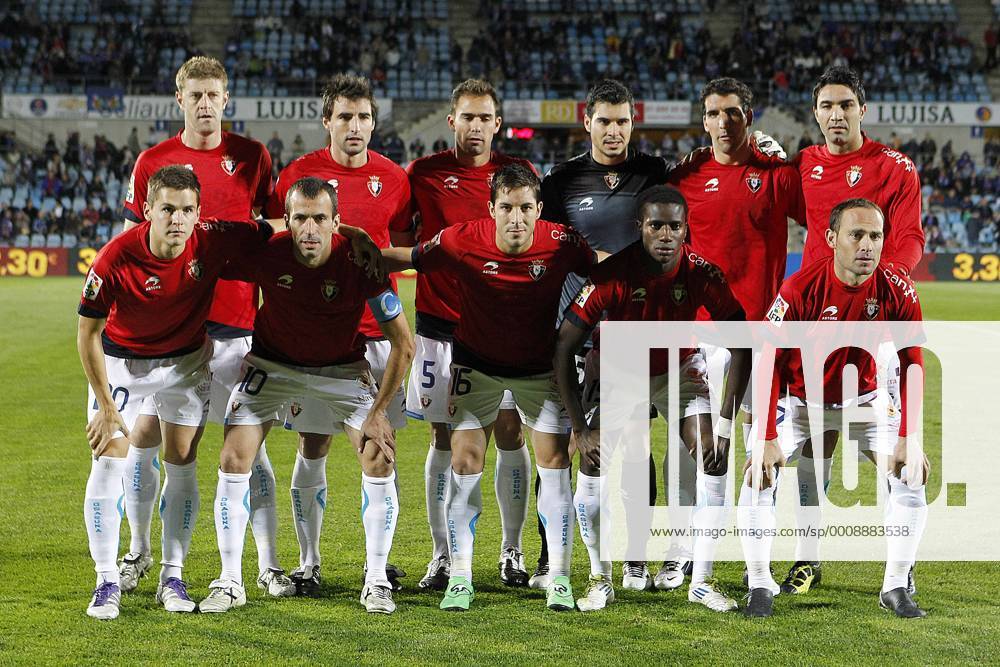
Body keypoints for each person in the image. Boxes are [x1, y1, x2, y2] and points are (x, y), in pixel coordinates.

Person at [383, 163, 595, 612]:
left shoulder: (562, 243)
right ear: (491, 208)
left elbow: (602, 267)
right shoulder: (462, 238)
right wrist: (344, 254)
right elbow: (410, 257)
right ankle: (460, 577)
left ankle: (559, 577)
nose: (516, 218)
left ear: (539, 208)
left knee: (555, 465)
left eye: (525, 208)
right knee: (464, 462)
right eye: (507, 208)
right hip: (476, 367)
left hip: (539, 370)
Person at [118, 56, 292, 599]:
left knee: (248, 450)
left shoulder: (253, 156)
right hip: (170, 333)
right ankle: (139, 552)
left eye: (213, 94)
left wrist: (234, 235)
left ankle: (268, 564)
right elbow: (130, 241)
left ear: (226, 98)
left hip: (238, 325)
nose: (205, 104)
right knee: (148, 437)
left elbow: (280, 227)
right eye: (195, 95)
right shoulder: (153, 161)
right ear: (180, 99)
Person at [199, 177, 413, 615]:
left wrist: (377, 412)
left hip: (343, 371)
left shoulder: (359, 261)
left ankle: (376, 580)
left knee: (380, 457)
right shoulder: (269, 252)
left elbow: (403, 344)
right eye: (300, 218)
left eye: (320, 219)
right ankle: (230, 580)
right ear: (287, 221)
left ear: (336, 221)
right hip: (272, 366)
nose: (310, 229)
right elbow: (209, 252)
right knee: (233, 458)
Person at [78, 166, 273, 619]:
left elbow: (273, 229)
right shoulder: (114, 259)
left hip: (185, 364)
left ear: (199, 213)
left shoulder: (211, 238)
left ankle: (172, 575)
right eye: (167, 209)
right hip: (124, 366)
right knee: (109, 459)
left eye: (187, 210)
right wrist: (104, 404)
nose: (177, 219)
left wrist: (346, 232)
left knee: (181, 459)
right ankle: (106, 580)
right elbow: (87, 333)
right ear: (147, 210)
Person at [555, 185, 750, 612]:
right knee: (593, 461)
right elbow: (564, 347)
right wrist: (580, 428)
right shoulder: (612, 275)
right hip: (622, 370)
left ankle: (702, 582)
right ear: (639, 227)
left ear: (685, 229)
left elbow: (743, 344)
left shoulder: (702, 274)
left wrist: (724, 427)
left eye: (674, 226)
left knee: (714, 458)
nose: (665, 235)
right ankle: (600, 579)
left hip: (679, 368)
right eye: (656, 225)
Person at [741, 198, 928, 618]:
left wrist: (909, 437)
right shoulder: (799, 289)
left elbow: (913, 362)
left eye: (875, 236)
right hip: (800, 401)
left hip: (864, 400)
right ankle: (759, 585)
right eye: (856, 234)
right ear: (831, 238)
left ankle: (896, 586)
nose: (867, 245)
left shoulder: (898, 290)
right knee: (758, 476)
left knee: (910, 474)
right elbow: (768, 362)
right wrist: (766, 437)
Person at [264, 73, 412, 593]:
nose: (355, 126)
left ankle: (379, 565)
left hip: (380, 336)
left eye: (363, 117)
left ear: (373, 123)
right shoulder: (297, 175)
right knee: (313, 442)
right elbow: (279, 239)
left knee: (381, 446)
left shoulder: (395, 178)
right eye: (345, 116)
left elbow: (399, 249)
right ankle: (309, 561)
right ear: (327, 120)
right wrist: (345, 233)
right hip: (321, 338)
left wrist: (366, 250)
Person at [785, 65, 924, 595]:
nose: (836, 114)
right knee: (814, 446)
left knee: (892, 453)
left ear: (862, 110)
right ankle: (807, 558)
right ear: (815, 113)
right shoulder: (804, 165)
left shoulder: (894, 167)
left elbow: (909, 238)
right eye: (827, 106)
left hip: (874, 327)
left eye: (846, 105)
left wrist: (881, 287)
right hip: (815, 326)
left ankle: (899, 569)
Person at [662, 78, 802, 588]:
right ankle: (681, 549)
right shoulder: (686, 176)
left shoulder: (777, 176)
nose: (724, 122)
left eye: (733, 113)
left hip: (761, 337)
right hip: (701, 335)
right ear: (704, 120)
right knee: (691, 445)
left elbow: (825, 224)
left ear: (749, 117)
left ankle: (753, 561)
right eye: (714, 113)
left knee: (759, 447)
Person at [402, 79, 537, 590]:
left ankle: (511, 551)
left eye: (484, 118)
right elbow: (402, 239)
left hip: (503, 328)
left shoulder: (516, 178)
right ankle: (442, 554)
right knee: (443, 436)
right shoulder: (423, 174)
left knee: (510, 432)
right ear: (451, 121)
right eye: (467, 117)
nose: (475, 126)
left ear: (497, 124)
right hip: (440, 328)